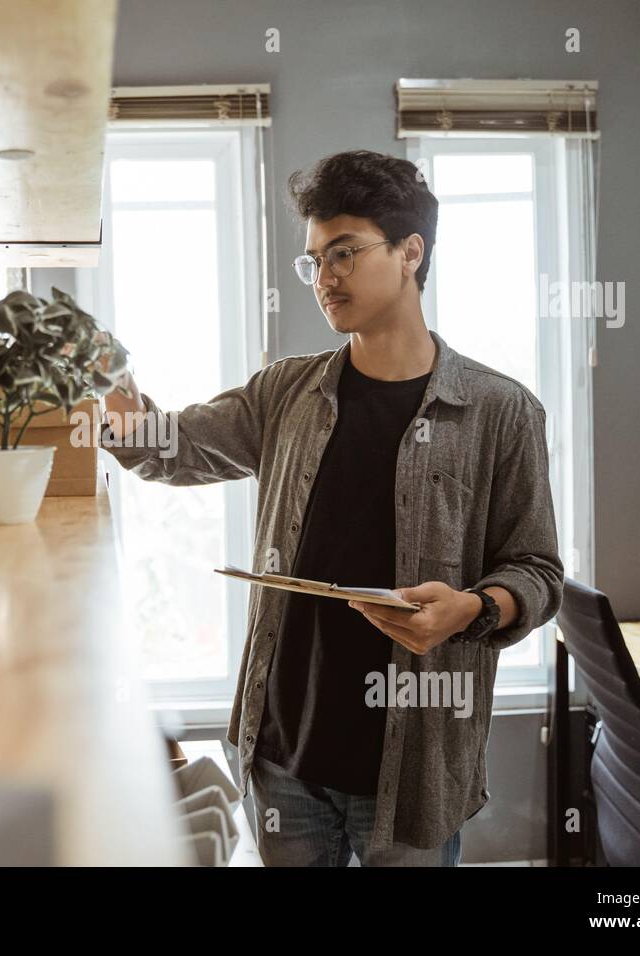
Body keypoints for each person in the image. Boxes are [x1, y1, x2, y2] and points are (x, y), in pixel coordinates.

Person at [99, 149, 563, 866]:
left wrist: (471, 609)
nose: (325, 277)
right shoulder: (286, 393)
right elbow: (170, 447)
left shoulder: (501, 412)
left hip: (411, 778)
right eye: (313, 259)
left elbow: (536, 570)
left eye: (343, 252)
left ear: (411, 252)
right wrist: (109, 380)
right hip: (283, 761)